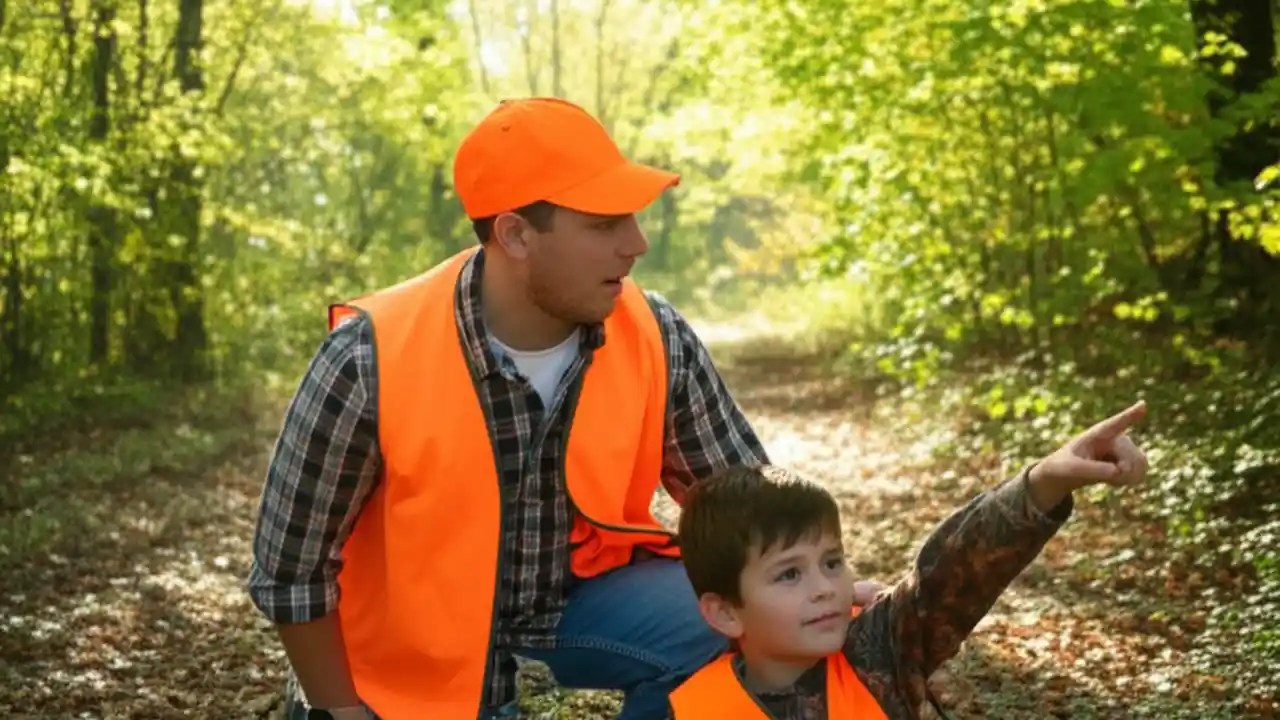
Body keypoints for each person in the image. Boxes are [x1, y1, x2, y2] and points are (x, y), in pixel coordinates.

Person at [246, 96, 848, 720]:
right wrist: (337, 710)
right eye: (604, 224)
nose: (636, 244)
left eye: (632, 219)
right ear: (516, 234)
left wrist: (835, 598)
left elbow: (751, 509)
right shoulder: (368, 358)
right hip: (405, 657)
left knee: (743, 622)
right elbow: (290, 570)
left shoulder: (654, 332)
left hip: (582, 604)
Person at [668, 401, 1150, 719]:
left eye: (832, 562)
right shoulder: (694, 709)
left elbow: (952, 569)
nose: (823, 587)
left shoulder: (880, 649)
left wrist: (1047, 481)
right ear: (726, 612)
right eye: (790, 573)